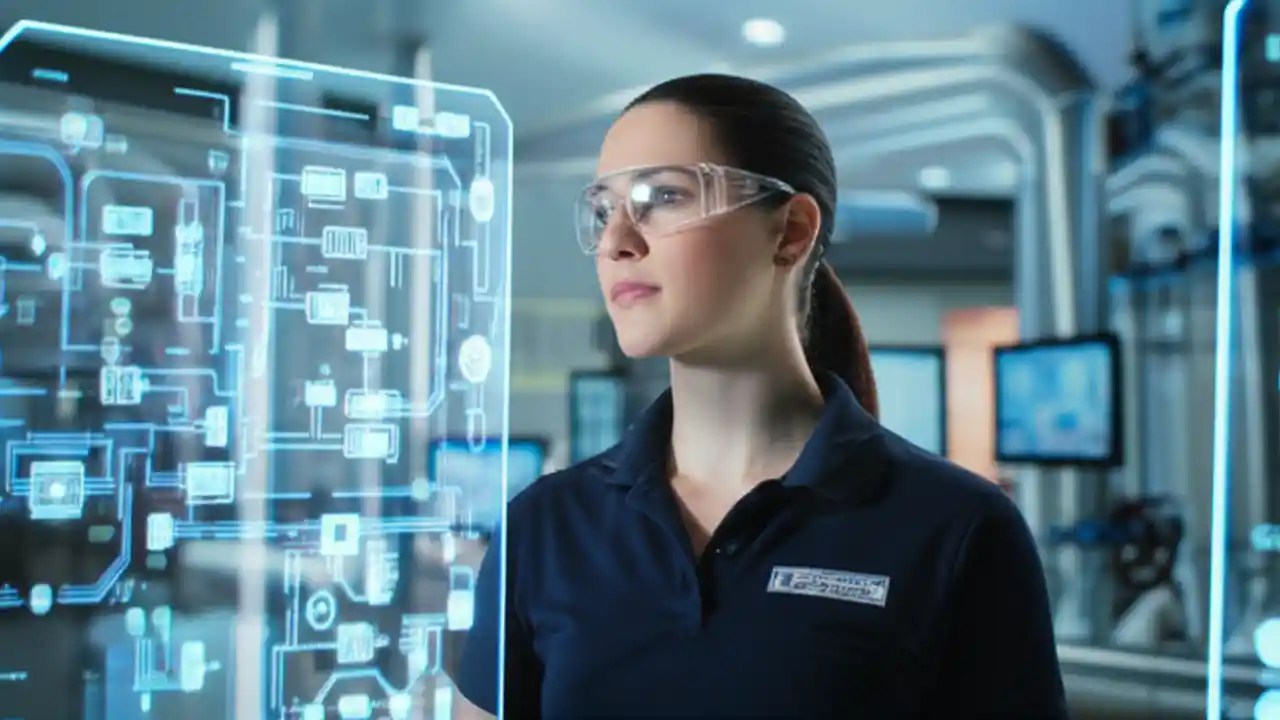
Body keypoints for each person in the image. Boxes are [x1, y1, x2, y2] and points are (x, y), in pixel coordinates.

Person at [452, 73, 1067, 718]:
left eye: (663, 196)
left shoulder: (956, 529)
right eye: (605, 210)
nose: (615, 242)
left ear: (791, 231)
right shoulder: (544, 529)